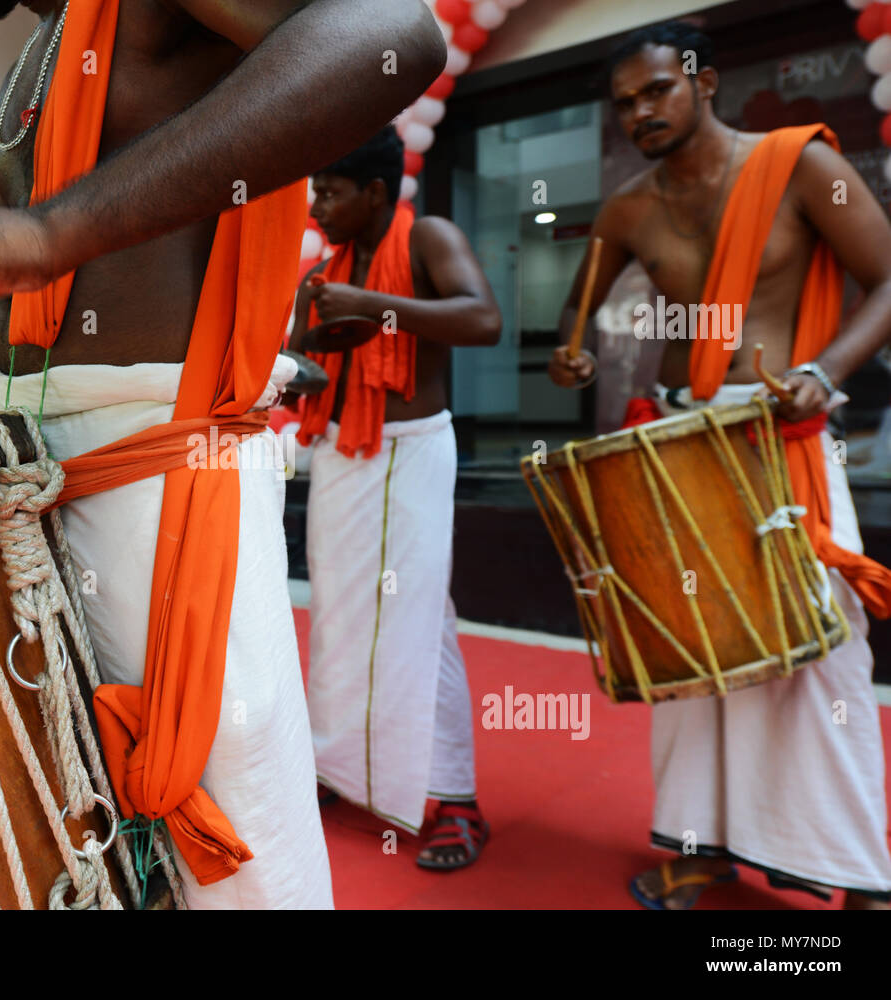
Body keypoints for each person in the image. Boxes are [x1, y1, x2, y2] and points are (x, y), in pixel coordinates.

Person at [0, 0, 447, 909]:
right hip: (34, 482)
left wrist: (46, 233)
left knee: (233, 844)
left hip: (164, 482)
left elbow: (394, 33)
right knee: (101, 837)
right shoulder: (35, 52)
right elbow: (6, 331)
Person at [549, 21, 891, 909]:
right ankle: (700, 847)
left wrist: (825, 371)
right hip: (675, 440)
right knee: (685, 658)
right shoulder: (628, 207)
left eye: (655, 90)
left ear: (703, 84)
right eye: (624, 102)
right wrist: (573, 354)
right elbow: (574, 317)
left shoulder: (802, 166)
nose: (639, 112)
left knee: (822, 656)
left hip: (780, 441)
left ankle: (857, 873)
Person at [288, 127, 500, 870]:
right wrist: (309, 329)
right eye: (315, 190)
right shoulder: (328, 264)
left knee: (418, 621)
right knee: (340, 618)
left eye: (330, 191)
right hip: (341, 454)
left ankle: (455, 798)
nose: (317, 205)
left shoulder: (429, 235)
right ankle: (340, 768)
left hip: (412, 453)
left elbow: (483, 319)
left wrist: (372, 305)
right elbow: (297, 351)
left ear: (376, 192)